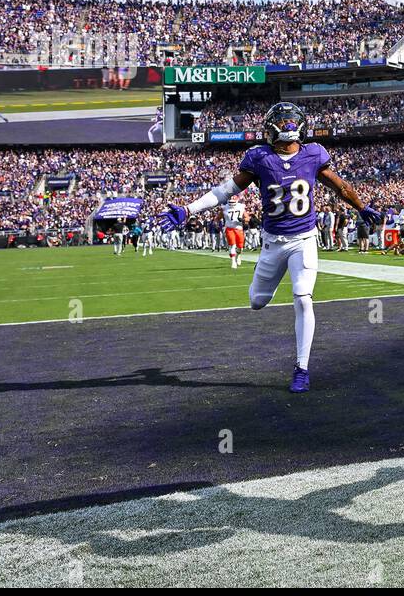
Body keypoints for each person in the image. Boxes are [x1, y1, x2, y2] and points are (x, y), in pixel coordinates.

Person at [158, 102, 382, 393]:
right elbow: (226, 191)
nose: (285, 124)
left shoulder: (313, 154)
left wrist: (361, 207)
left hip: (303, 240)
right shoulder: (260, 157)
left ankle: (302, 368)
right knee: (257, 301)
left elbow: (340, 186)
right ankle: (271, 288)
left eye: (287, 120)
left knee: (303, 297)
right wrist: (189, 210)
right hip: (272, 244)